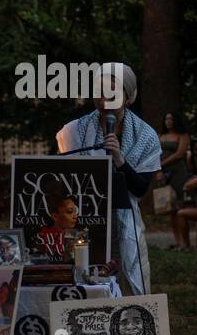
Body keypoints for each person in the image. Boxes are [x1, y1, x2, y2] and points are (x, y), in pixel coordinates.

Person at [56, 62, 161, 295]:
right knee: (82, 277)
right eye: (99, 91)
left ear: (128, 97)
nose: (104, 99)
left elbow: (140, 188)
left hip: (126, 220)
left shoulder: (146, 136)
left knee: (133, 279)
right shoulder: (72, 132)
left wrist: (119, 159)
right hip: (83, 221)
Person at [36, 179, 79, 259]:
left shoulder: (74, 235)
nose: (75, 216)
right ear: (55, 216)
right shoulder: (44, 235)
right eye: (69, 212)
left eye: (75, 211)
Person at [158, 112, 192, 204]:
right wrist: (158, 170)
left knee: (179, 201)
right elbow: (155, 153)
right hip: (163, 172)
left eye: (171, 119)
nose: (168, 121)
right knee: (166, 203)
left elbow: (179, 154)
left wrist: (161, 164)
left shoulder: (183, 135)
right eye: (166, 119)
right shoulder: (160, 135)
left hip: (178, 171)